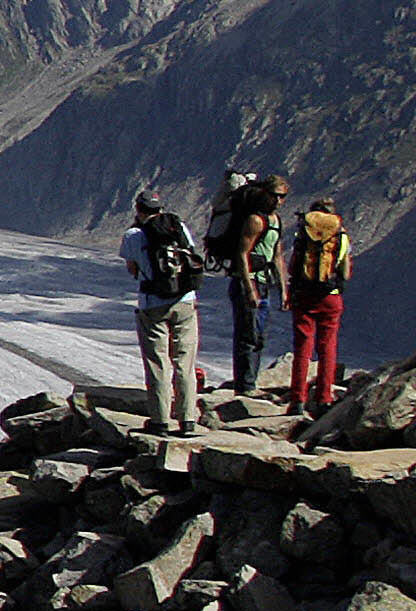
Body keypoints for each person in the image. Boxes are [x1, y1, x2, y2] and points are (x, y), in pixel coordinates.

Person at [122, 187, 206, 434]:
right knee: (185, 362)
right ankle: (188, 419)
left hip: (153, 305)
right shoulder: (178, 226)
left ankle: (160, 420)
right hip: (185, 300)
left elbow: (133, 270)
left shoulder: (134, 235)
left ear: (139, 210)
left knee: (158, 363)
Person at [215, 172, 288, 392]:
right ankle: (245, 385)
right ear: (265, 193)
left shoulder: (275, 221)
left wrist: (284, 289)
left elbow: (277, 256)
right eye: (275, 195)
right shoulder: (255, 220)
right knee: (247, 335)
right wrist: (249, 289)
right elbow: (242, 254)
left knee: (258, 335)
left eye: (282, 197)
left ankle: (249, 380)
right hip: (249, 283)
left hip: (263, 284)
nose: (278, 201)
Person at [290, 195, 352, 411]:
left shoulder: (304, 234)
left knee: (302, 348)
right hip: (331, 296)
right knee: (327, 347)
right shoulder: (341, 236)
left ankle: (297, 399)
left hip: (305, 296)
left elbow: (294, 266)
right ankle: (324, 397)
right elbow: (344, 271)